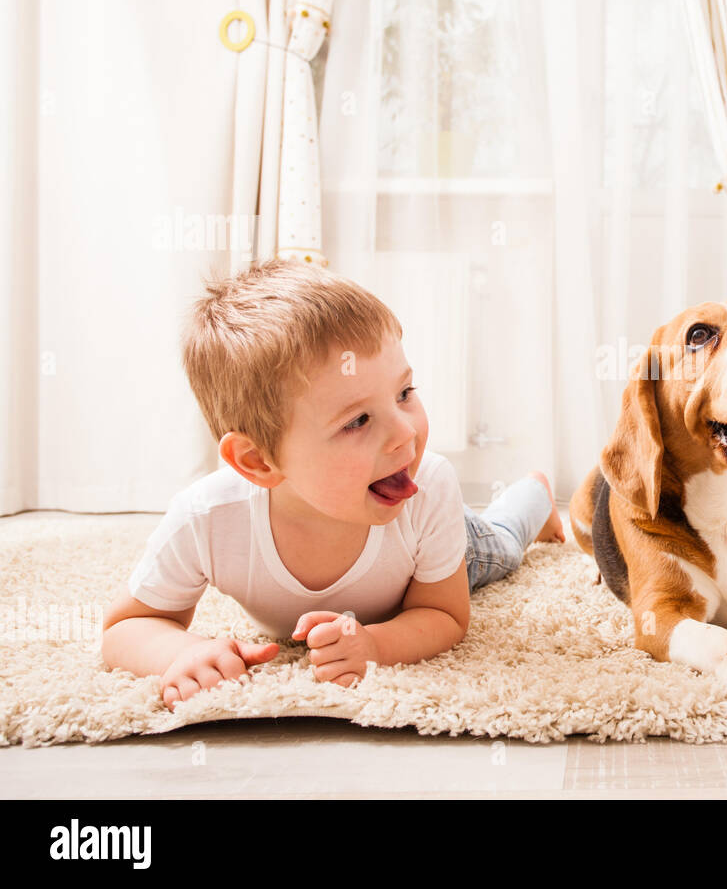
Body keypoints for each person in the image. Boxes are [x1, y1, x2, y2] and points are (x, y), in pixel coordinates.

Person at [101, 257, 565, 710]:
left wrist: (376, 645)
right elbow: (128, 626)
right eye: (358, 420)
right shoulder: (208, 518)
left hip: (438, 544)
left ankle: (534, 495)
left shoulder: (430, 486)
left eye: (404, 393)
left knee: (501, 547)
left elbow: (443, 615)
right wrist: (179, 654)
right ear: (258, 460)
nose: (406, 432)